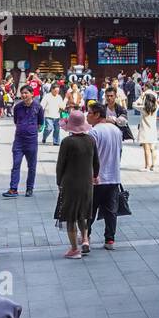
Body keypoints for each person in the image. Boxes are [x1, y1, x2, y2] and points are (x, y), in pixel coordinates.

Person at [55, 110, 99, 258]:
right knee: (83, 213)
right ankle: (85, 239)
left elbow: (61, 164)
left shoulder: (67, 142)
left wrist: (59, 181)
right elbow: (96, 162)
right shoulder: (90, 140)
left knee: (70, 216)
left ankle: (74, 249)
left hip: (70, 183)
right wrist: (95, 176)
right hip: (87, 183)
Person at [86, 101, 123, 250]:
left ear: (97, 115)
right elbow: (119, 152)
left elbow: (90, 156)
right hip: (114, 176)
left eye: (89, 113)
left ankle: (85, 237)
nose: (87, 116)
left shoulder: (93, 132)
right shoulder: (116, 131)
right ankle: (110, 240)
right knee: (110, 211)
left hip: (96, 178)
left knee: (90, 210)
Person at [4, 85, 43, 198]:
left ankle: (29, 188)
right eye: (22, 93)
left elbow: (40, 122)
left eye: (26, 93)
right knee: (16, 164)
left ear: (32, 94)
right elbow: (16, 120)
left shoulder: (38, 107)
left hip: (31, 140)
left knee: (32, 166)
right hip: (19, 140)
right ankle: (13, 189)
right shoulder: (17, 107)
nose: (24, 95)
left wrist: (31, 130)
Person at [134, 88, 159, 170]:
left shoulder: (143, 109)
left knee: (146, 150)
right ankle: (153, 165)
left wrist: (141, 97)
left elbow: (134, 104)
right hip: (153, 130)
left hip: (145, 131)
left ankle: (147, 166)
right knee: (153, 148)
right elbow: (156, 102)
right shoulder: (156, 108)